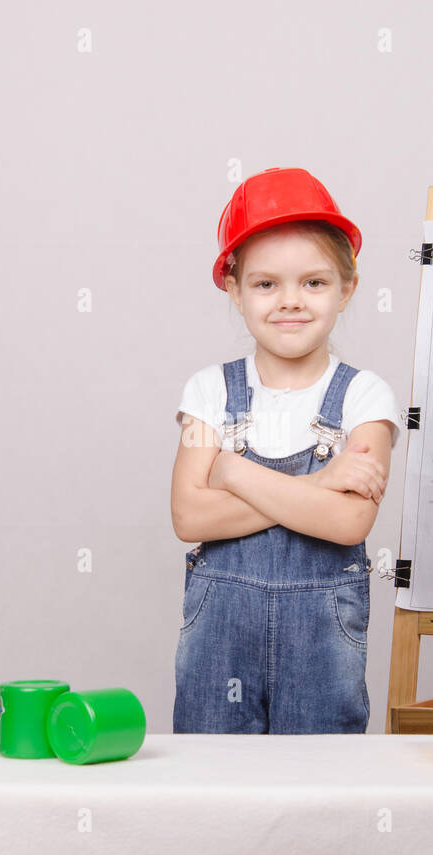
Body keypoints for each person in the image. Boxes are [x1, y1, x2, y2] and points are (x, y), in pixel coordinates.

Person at [170, 167, 404, 734]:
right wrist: (320, 483)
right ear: (234, 287)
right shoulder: (209, 391)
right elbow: (188, 515)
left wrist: (229, 468)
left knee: (319, 797)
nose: (290, 302)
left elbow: (349, 522)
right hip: (220, 648)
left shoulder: (365, 395)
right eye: (266, 283)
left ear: (347, 288)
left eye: (314, 283)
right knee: (213, 789)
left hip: (320, 654)